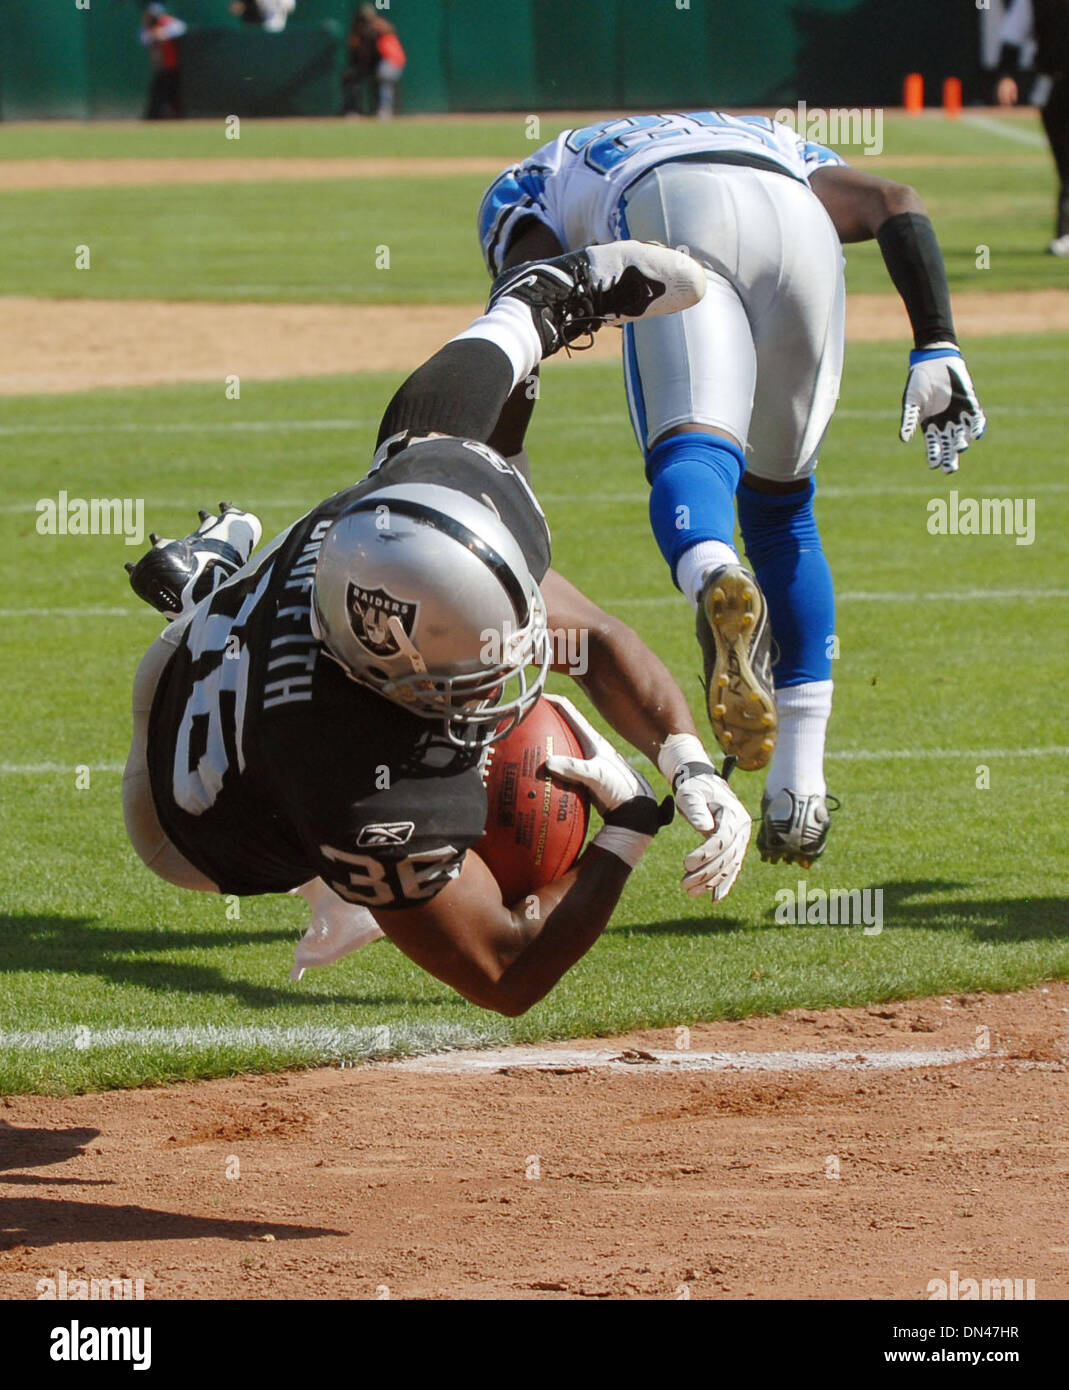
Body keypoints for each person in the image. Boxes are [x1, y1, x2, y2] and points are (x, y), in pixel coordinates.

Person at [122, 241, 752, 1015]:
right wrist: (625, 828)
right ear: (386, 665)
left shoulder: (419, 512)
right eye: (473, 667)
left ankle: (211, 592)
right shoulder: (356, 780)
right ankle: (206, 596)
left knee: (463, 685)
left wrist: (686, 765)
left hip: (242, 654)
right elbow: (503, 972)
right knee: (409, 843)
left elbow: (596, 640)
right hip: (190, 823)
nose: (517, 663)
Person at [477, 111, 987, 867]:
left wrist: (506, 456)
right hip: (796, 222)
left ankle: (711, 570)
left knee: (694, 448)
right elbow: (895, 201)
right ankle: (797, 792)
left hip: (666, 208)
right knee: (783, 509)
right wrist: (935, 341)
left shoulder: (535, 176)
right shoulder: (773, 137)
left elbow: (525, 298)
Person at [996, 0, 1069, 255]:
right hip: (1055, 86)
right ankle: (1065, 233)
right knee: (1065, 161)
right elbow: (1012, 35)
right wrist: (1006, 74)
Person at [140, 3, 187, 120]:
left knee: (173, 95)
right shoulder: (148, 28)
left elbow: (181, 28)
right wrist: (155, 35)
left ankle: (177, 118)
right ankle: (152, 118)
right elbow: (144, 39)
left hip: (172, 67)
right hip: (160, 68)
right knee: (157, 94)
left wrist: (164, 33)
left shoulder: (166, 22)